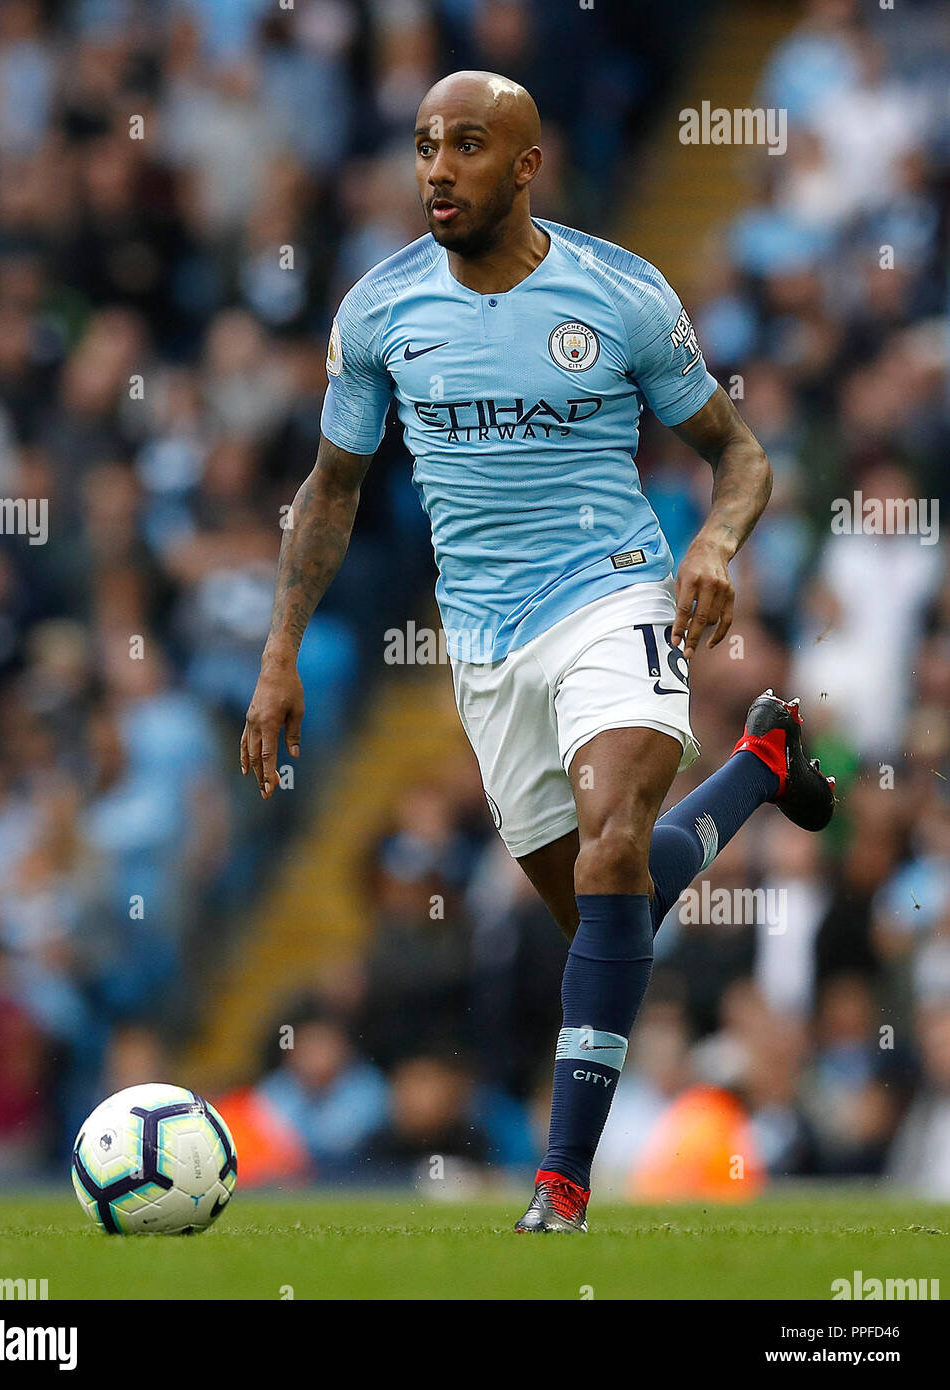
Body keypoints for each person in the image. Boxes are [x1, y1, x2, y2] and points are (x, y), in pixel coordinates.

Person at [241, 70, 836, 1232]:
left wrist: (713, 539)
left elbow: (742, 454)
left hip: (614, 597)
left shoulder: (618, 293)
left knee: (615, 843)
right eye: (422, 145)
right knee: (610, 907)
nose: (435, 168)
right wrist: (278, 657)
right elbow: (331, 490)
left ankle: (560, 1182)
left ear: (525, 165)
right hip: (483, 643)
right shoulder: (378, 311)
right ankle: (762, 766)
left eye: (465, 145)